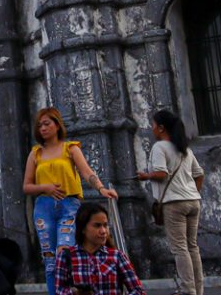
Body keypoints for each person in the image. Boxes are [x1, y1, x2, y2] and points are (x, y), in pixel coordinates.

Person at [23, 108, 117, 295]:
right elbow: (26, 186)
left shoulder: (70, 148)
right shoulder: (35, 154)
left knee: (64, 253)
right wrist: (46, 188)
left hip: (68, 206)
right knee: (49, 260)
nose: (43, 128)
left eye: (47, 124)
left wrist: (101, 188)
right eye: (40, 125)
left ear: (57, 125)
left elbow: (87, 172)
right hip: (44, 207)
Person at [136, 109, 205, 295]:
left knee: (179, 248)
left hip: (173, 203)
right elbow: (199, 174)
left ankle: (187, 289)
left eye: (152, 125)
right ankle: (198, 289)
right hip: (193, 200)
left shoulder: (159, 147)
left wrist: (145, 176)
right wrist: (191, 191)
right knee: (192, 247)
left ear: (161, 128)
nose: (151, 129)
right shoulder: (185, 149)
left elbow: (161, 174)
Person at [53, 202, 144, 295]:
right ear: (83, 228)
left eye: (105, 225)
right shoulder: (65, 257)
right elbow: (59, 291)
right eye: (97, 225)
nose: (103, 231)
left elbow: (138, 291)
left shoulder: (117, 256)